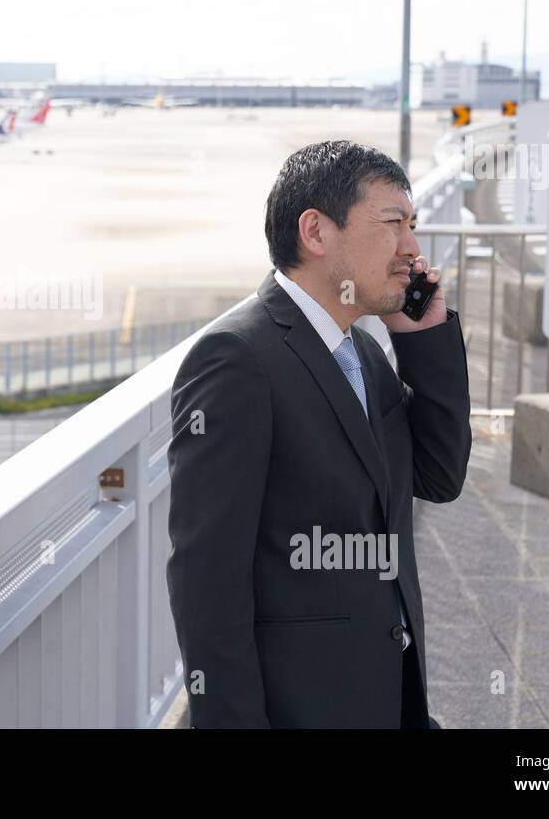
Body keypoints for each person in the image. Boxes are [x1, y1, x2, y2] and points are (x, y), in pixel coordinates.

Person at [166, 139, 471, 728]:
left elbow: (438, 477)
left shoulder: (361, 349)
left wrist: (422, 339)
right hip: (304, 708)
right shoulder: (236, 359)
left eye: (412, 225)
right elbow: (207, 582)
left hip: (390, 695)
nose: (412, 249)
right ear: (315, 232)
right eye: (392, 224)